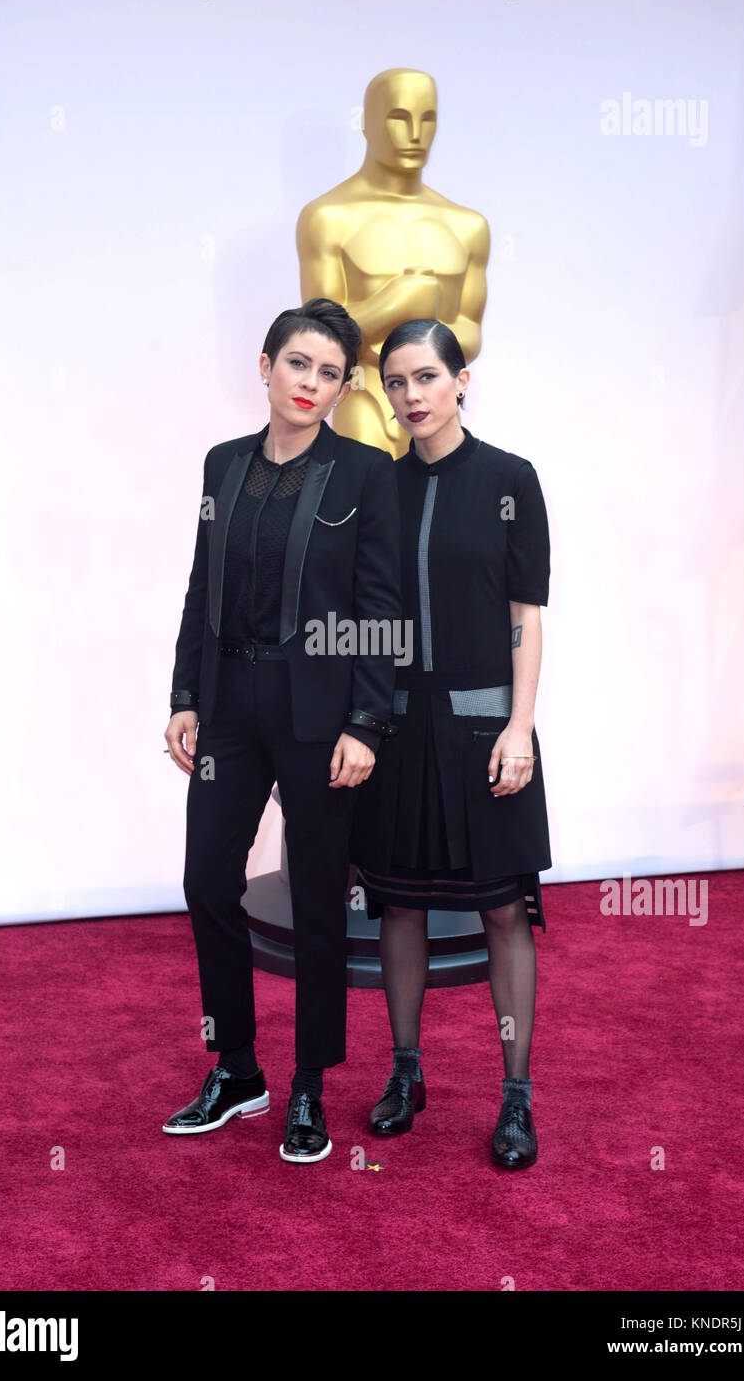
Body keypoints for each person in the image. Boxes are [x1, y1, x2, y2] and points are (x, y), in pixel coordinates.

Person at [163, 297, 401, 1163]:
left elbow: (381, 608)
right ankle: (236, 1069)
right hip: (229, 705)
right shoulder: (221, 467)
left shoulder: (364, 473)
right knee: (205, 882)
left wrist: (367, 722)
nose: (311, 383)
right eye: (297, 363)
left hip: (320, 717)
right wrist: (186, 692)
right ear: (264, 367)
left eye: (329, 372)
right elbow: (201, 586)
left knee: (312, 903)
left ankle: (308, 1082)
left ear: (342, 388)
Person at [350, 319, 552, 1169]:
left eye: (426, 377)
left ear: (461, 379)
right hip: (396, 728)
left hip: (481, 727)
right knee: (399, 904)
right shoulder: (375, 489)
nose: (411, 398)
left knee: (503, 909)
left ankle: (515, 1099)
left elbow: (524, 615)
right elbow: (360, 620)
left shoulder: (510, 479)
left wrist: (518, 727)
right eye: (396, 383)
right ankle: (406, 1074)